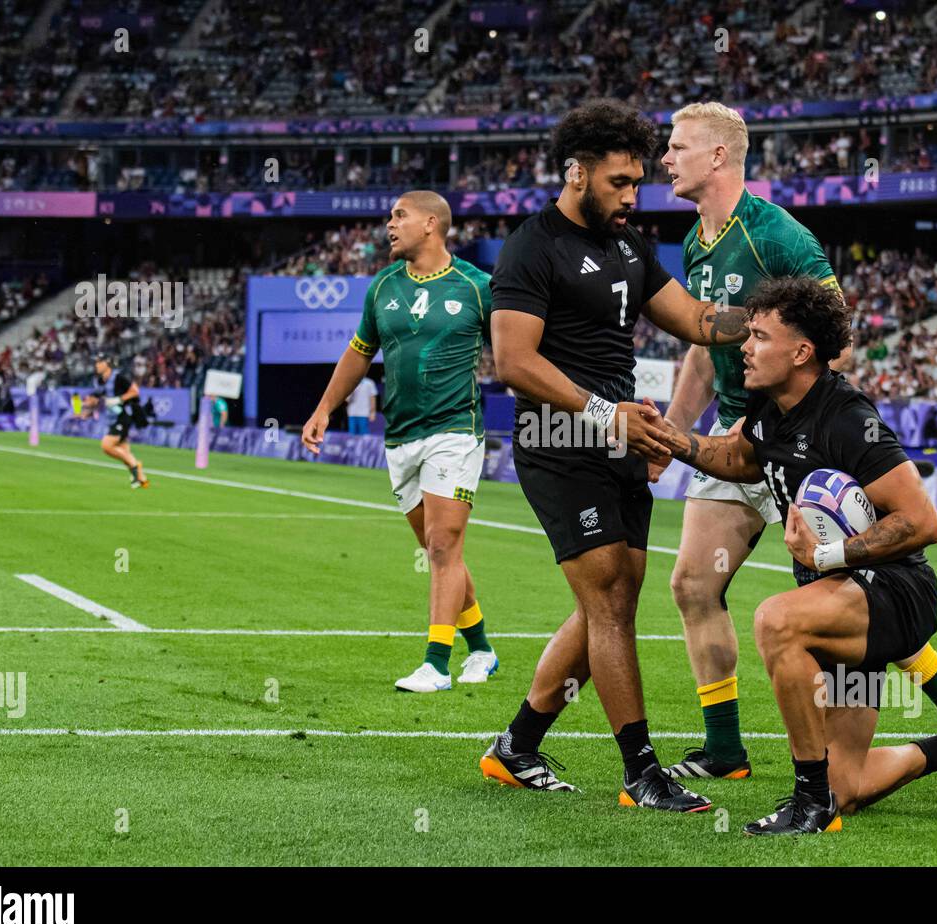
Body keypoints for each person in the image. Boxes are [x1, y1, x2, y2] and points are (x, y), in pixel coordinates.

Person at [656, 276, 937, 835]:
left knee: (776, 621)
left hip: (893, 593)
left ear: (801, 352)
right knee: (851, 787)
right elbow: (739, 458)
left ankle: (809, 802)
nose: (745, 347)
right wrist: (670, 439)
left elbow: (922, 521)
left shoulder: (846, 417)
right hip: (839, 596)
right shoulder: (768, 404)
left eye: (760, 337)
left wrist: (827, 555)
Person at [479, 100, 747, 812]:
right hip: (561, 441)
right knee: (608, 604)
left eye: (637, 183)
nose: (632, 197)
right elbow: (513, 361)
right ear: (577, 172)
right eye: (619, 182)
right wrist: (603, 415)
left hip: (623, 439)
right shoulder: (531, 246)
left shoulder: (629, 246)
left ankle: (517, 746)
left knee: (612, 601)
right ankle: (641, 773)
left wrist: (773, 316)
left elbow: (696, 320)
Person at [656, 101, 840, 780]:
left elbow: (837, 338)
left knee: (840, 608)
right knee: (692, 584)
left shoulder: (776, 236)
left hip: (794, 446)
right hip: (732, 443)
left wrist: (769, 419)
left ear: (718, 156)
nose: (665, 159)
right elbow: (704, 354)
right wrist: (673, 434)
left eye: (677, 147)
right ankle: (725, 749)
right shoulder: (695, 244)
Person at [302, 190, 497, 693]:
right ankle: (481, 649)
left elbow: (518, 347)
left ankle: (436, 664)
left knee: (443, 544)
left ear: (431, 223)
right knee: (437, 551)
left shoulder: (478, 287)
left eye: (399, 215)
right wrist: (324, 408)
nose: (389, 224)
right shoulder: (383, 286)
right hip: (400, 437)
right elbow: (358, 352)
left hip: (455, 430)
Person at [81, 355, 149, 489]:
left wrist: (119, 399)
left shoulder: (119, 377)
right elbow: (97, 398)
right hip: (113, 418)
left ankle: (135, 467)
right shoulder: (100, 380)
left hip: (123, 416)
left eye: (99, 362)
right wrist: (87, 409)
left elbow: (135, 391)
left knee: (107, 445)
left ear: (107, 363)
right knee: (123, 450)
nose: (96, 365)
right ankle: (142, 478)